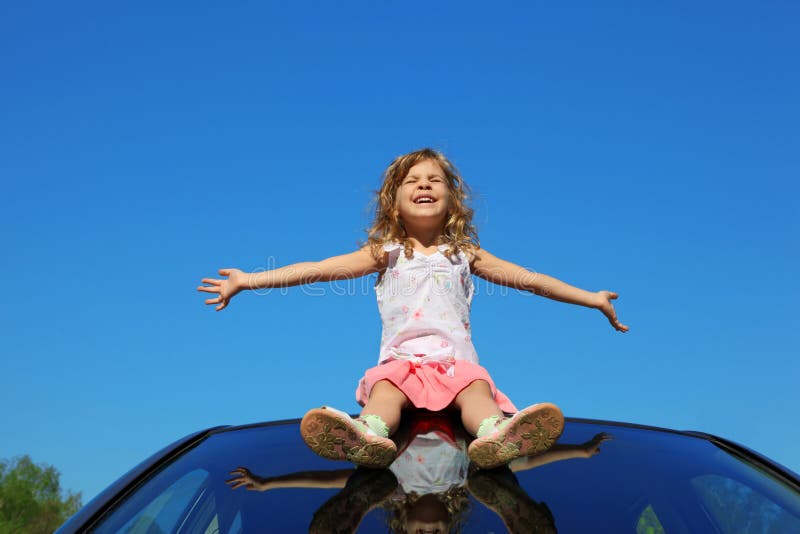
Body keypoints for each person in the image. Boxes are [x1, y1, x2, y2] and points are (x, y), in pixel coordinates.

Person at [198, 148, 628, 470]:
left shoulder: (466, 254)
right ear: (394, 201)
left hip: (455, 364)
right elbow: (317, 270)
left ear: (452, 200)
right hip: (400, 364)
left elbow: (531, 280)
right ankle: (368, 435)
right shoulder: (384, 253)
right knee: (384, 391)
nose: (424, 185)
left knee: (477, 390)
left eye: (434, 180)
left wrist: (591, 298)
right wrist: (248, 280)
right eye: (412, 181)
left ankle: (496, 434)